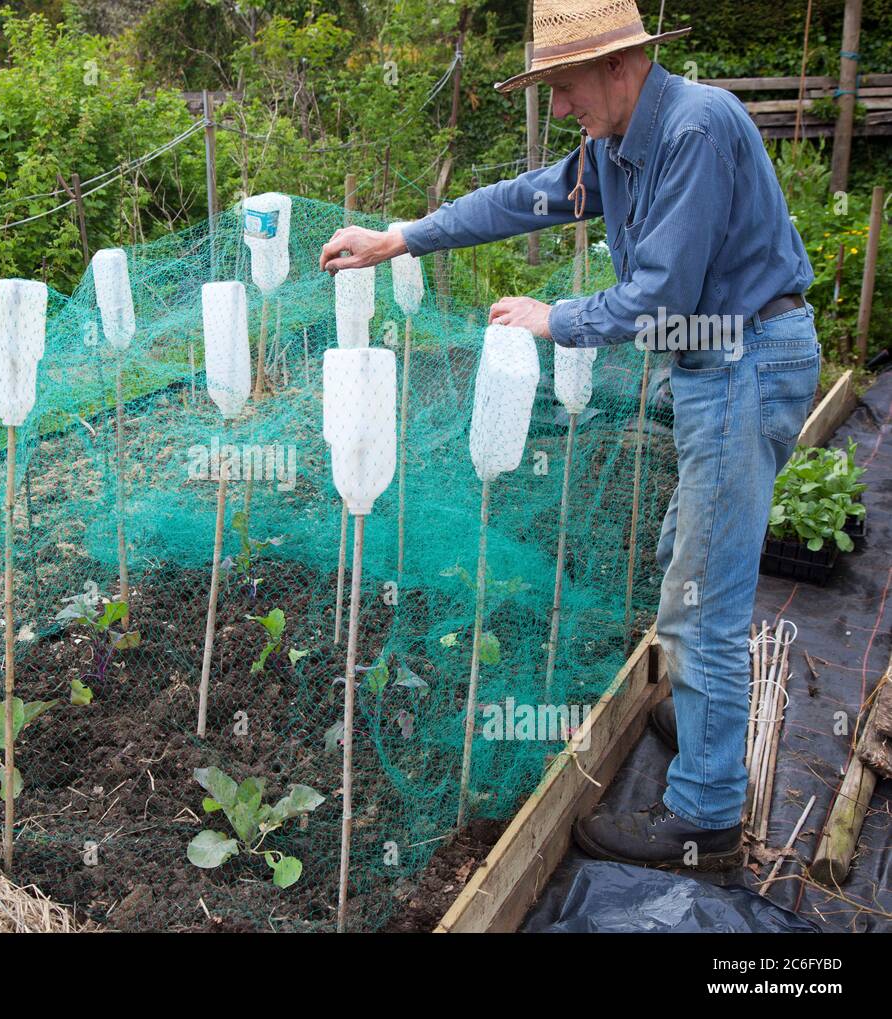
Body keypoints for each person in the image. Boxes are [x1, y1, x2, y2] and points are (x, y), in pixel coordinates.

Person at [318, 0, 819, 868]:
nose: (558, 107)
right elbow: (523, 201)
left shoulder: (695, 130)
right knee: (685, 557)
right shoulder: (615, 147)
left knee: (705, 597)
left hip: (743, 363)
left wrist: (557, 318)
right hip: (712, 366)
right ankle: (704, 718)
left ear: (620, 65)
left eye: (563, 87)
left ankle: (705, 817)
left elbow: (661, 296)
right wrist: (400, 238)